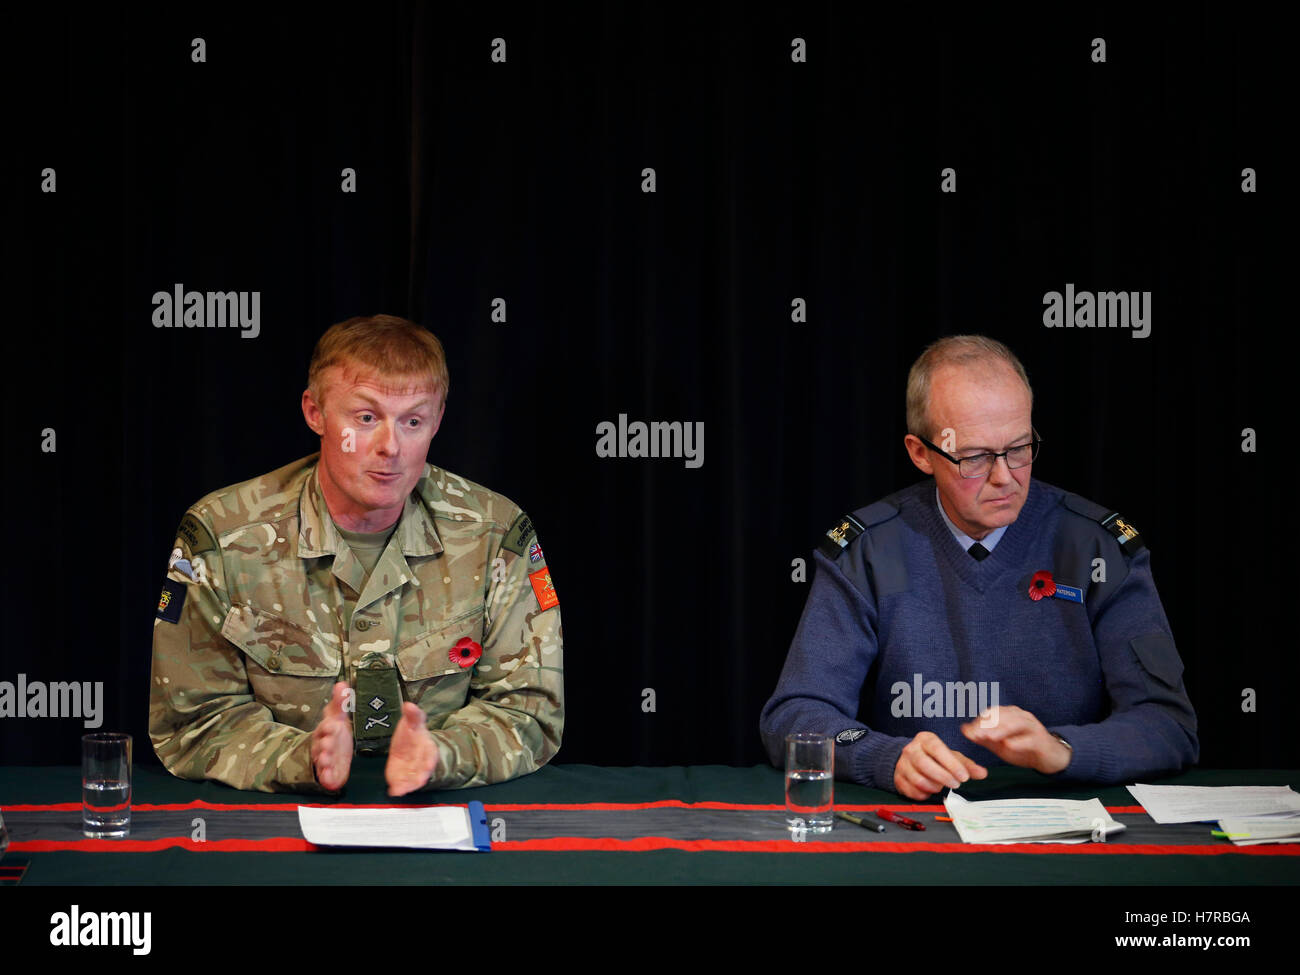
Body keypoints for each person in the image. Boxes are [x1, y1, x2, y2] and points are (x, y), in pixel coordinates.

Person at [760, 335, 1197, 799]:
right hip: (921, 826)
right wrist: (883, 757)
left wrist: (1062, 748)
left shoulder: (1097, 548)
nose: (1004, 476)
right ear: (920, 453)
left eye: (1020, 448)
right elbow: (796, 714)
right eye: (974, 457)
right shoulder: (868, 550)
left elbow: (1168, 723)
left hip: (1066, 825)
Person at [149, 315, 564, 794]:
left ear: (438, 421)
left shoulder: (496, 534)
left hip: (439, 816)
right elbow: (191, 720)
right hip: (281, 823)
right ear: (315, 412)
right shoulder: (221, 536)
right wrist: (299, 758)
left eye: (413, 421)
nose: (391, 447)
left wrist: (442, 756)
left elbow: (529, 712)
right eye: (365, 418)